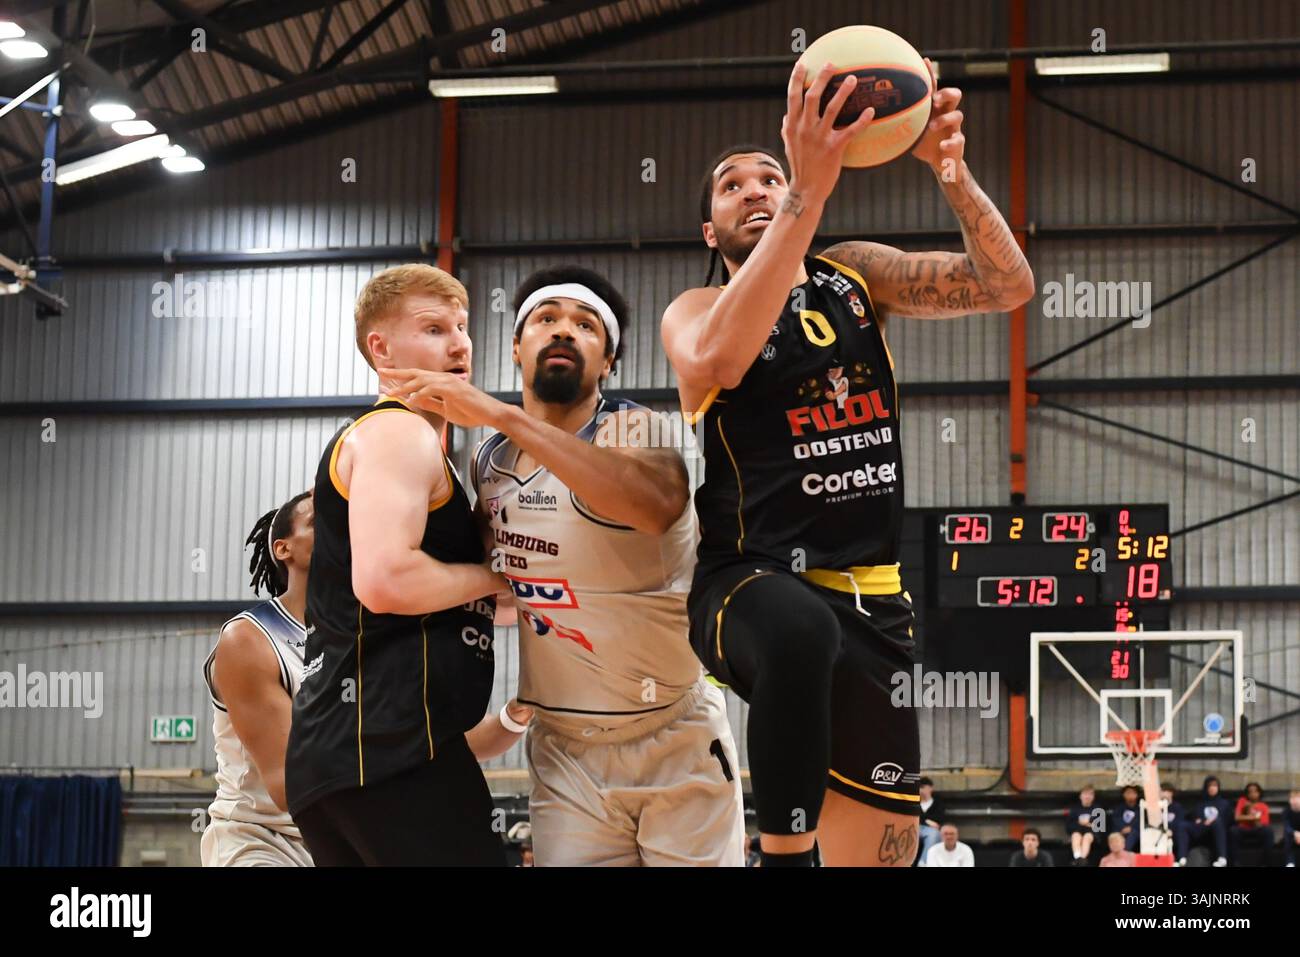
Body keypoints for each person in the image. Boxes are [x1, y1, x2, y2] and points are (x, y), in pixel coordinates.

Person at [660, 58, 1033, 868]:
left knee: (882, 858)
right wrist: (805, 192)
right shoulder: (693, 310)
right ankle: (784, 858)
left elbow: (1007, 286)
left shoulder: (854, 273)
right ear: (709, 230)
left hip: (874, 605)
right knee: (798, 629)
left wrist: (952, 171)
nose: (756, 188)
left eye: (768, 174)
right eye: (733, 186)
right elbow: (722, 359)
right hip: (747, 581)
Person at [386, 264, 745, 866]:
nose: (563, 331)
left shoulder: (637, 428)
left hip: (672, 735)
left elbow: (653, 506)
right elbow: (475, 573)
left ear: (608, 362)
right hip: (566, 748)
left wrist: (503, 414)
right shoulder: (491, 460)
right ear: (517, 350)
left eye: (585, 325)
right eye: (545, 320)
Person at [284, 264, 505, 866]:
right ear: (379, 348)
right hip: (386, 748)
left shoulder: (418, 447)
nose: (458, 342)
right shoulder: (398, 433)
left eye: (462, 326)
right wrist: (499, 579)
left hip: (351, 752)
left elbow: (439, 595)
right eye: (434, 328)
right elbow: (386, 581)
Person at [201, 492, 315, 867]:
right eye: (319, 522)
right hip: (258, 841)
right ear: (284, 549)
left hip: (337, 839)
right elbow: (287, 783)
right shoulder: (250, 637)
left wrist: (507, 717)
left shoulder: (360, 636)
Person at [1187, 775, 1230, 866]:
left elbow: (1226, 820)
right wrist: (1203, 821)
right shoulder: (1200, 803)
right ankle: (1181, 859)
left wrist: (1212, 821)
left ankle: (1222, 857)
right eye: (1210, 786)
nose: (1212, 788)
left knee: (1218, 822)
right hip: (1202, 831)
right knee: (1183, 825)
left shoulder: (1224, 803)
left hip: (1218, 832)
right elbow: (1196, 818)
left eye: (1215, 785)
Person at [1230, 781, 1271, 862]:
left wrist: (1248, 812)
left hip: (1257, 830)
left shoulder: (1264, 806)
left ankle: (1266, 863)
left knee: (1269, 831)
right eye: (1250, 792)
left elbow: (1261, 825)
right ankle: (1235, 863)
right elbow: (1237, 818)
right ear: (1247, 794)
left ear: (1259, 793)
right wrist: (1254, 817)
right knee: (1233, 830)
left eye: (1255, 791)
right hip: (1243, 829)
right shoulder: (1242, 801)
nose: (1253, 793)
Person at [1066, 785, 1101, 866]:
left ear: (1093, 797)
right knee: (1075, 836)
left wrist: (1089, 824)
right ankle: (1077, 857)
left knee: (1087, 837)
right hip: (1077, 831)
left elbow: (1100, 827)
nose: (1087, 796)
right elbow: (1068, 826)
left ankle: (1082, 859)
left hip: (1092, 834)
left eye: (1090, 794)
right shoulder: (1074, 809)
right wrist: (1080, 823)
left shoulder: (1098, 808)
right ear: (1080, 796)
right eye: (1085, 794)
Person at [916, 777, 945, 865]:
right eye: (919, 787)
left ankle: (923, 863)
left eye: (924, 787)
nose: (921, 789)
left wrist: (923, 819)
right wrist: (927, 821)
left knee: (934, 834)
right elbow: (913, 816)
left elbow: (940, 818)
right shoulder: (915, 802)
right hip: (916, 827)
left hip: (931, 830)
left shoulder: (938, 802)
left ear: (931, 788)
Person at [1111, 784, 1142, 852]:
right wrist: (1123, 828)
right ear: (1123, 794)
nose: (1130, 795)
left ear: (1137, 795)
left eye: (1133, 793)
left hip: (1135, 831)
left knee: (1133, 833)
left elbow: (1140, 821)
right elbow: (1116, 819)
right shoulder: (1119, 807)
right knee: (1115, 835)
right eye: (1128, 793)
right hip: (1120, 830)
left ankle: (1124, 852)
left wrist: (1131, 827)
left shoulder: (1140, 808)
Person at [1281, 789, 1300, 867]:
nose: (1294, 800)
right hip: (1292, 834)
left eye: (1297, 798)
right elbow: (1286, 825)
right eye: (1292, 798)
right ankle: (1290, 862)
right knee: (1287, 835)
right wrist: (1295, 833)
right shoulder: (1286, 811)